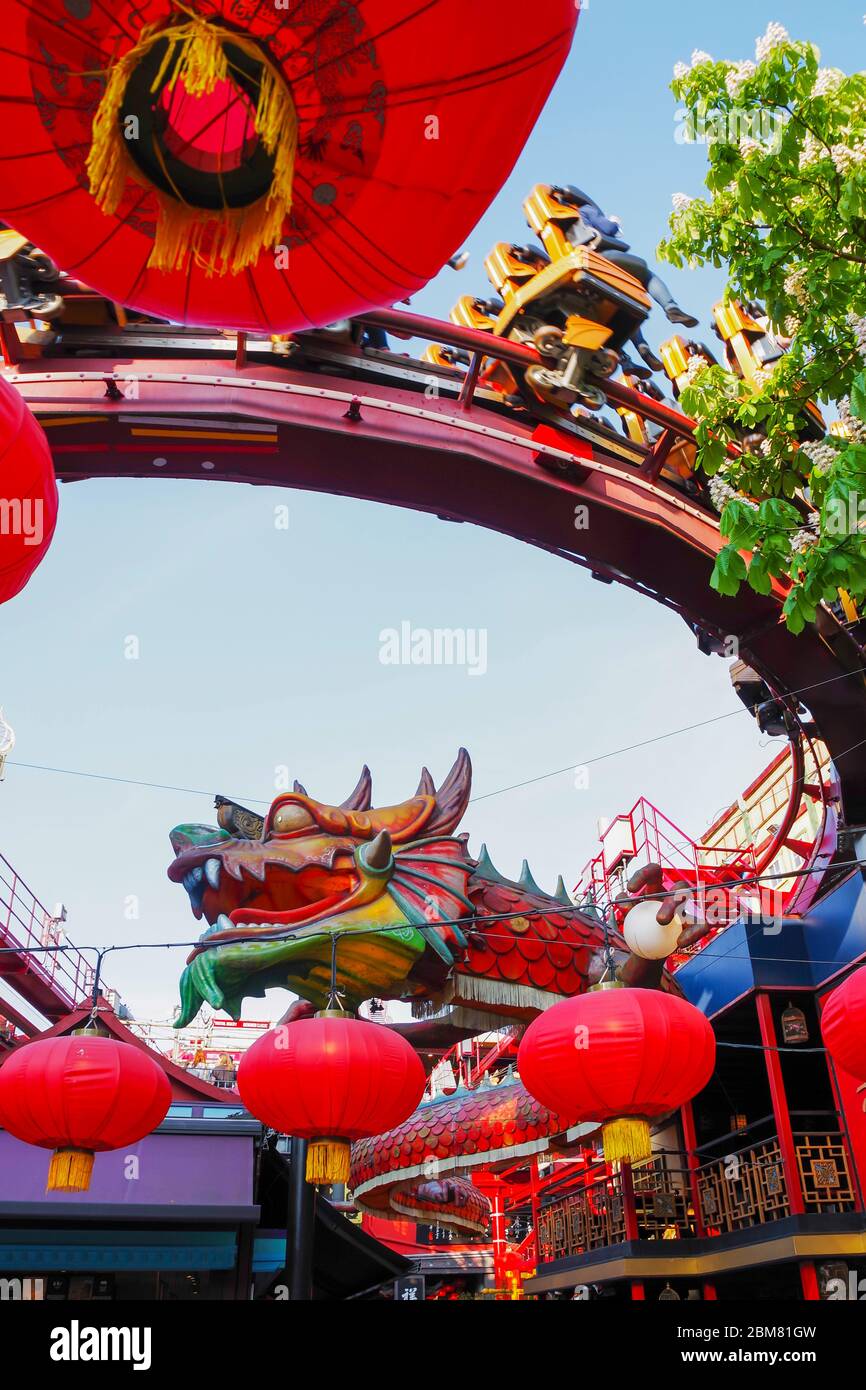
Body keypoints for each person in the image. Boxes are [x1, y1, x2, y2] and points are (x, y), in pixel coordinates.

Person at [561, 188, 699, 369]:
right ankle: (671, 308)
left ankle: (638, 351)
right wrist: (614, 222)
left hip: (581, 266)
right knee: (646, 273)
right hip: (603, 256)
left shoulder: (561, 229)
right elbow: (607, 228)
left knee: (624, 303)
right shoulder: (584, 209)